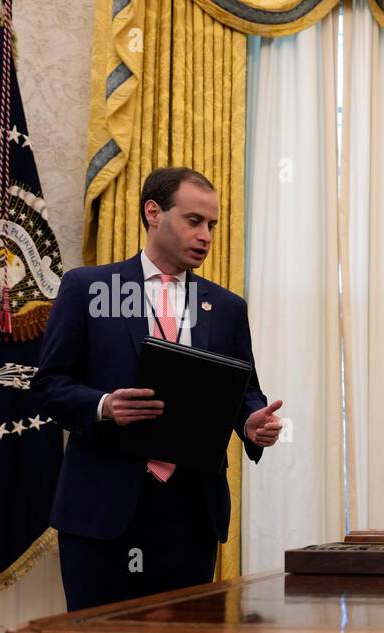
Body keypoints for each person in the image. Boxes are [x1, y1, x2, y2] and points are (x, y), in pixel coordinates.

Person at [33, 167, 283, 610]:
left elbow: (244, 389)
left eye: (212, 225)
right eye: (194, 221)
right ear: (153, 212)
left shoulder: (226, 308)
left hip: (190, 516)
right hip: (102, 512)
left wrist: (251, 421)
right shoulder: (89, 289)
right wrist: (104, 405)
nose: (206, 235)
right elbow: (49, 386)